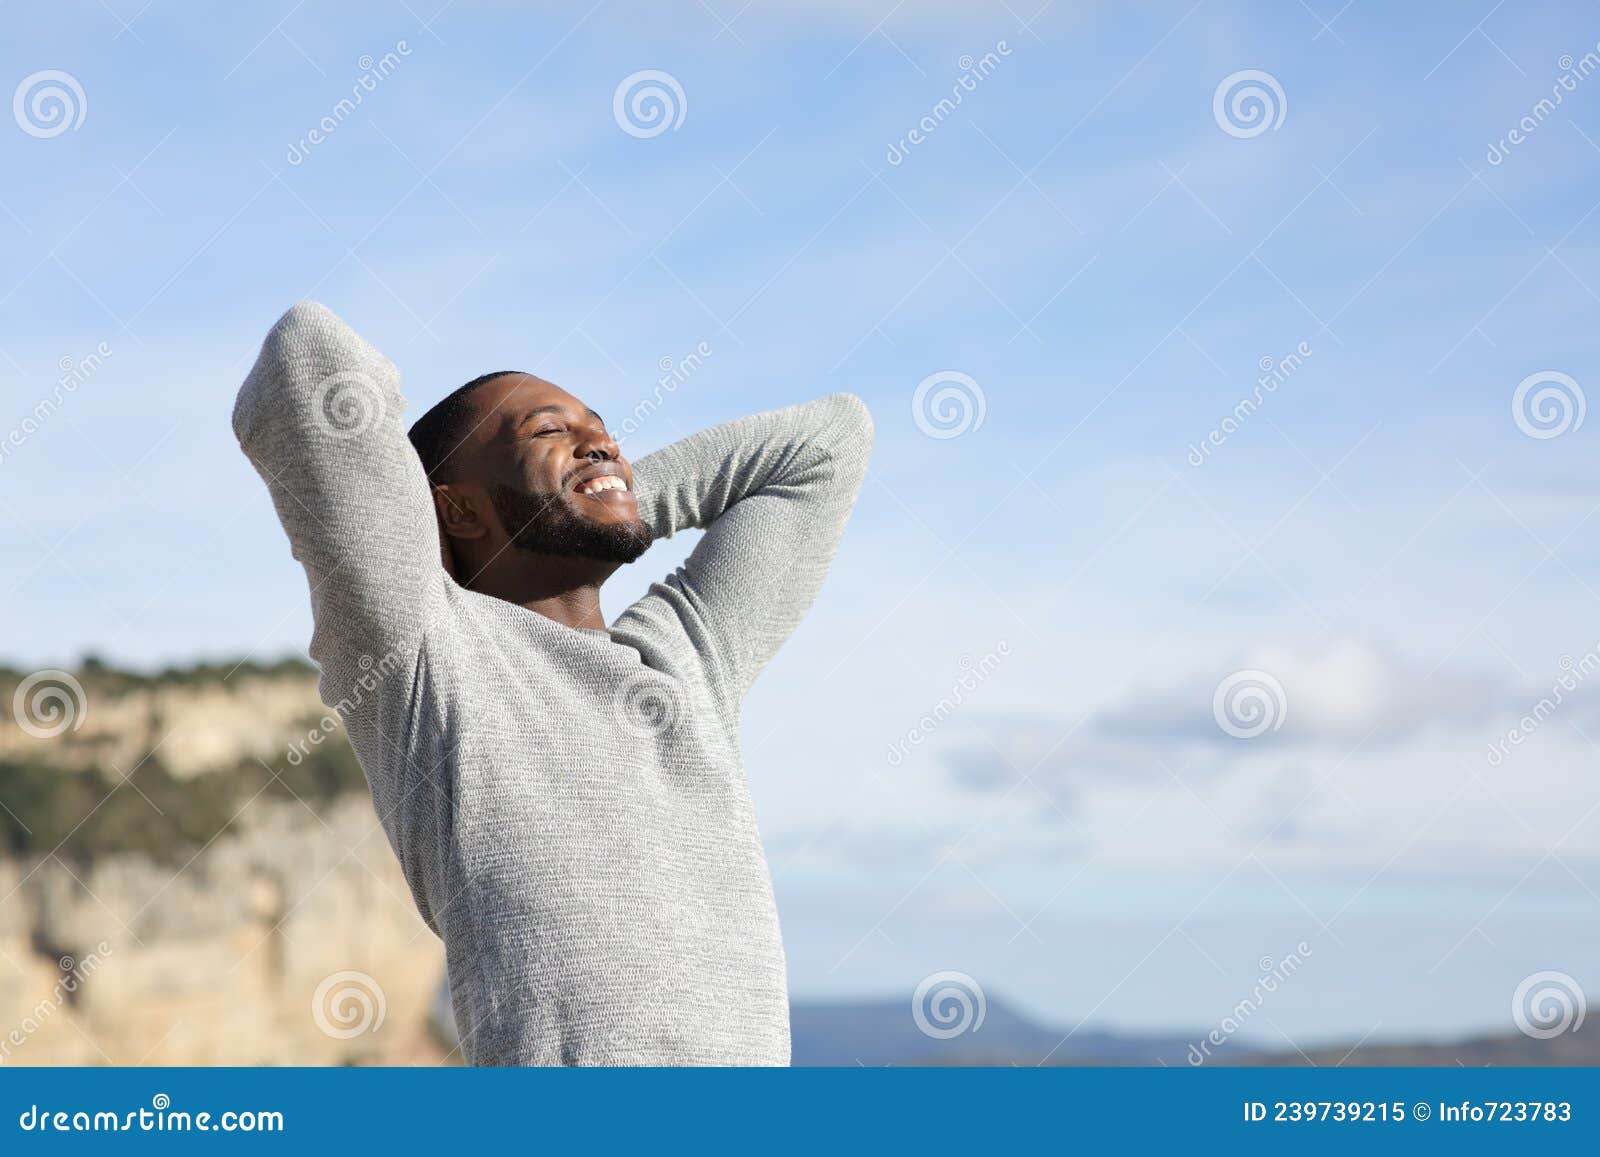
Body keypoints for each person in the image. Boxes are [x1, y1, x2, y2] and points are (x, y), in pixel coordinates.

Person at [232, 302, 872, 1065]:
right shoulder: (424, 651)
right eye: (547, 431)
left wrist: (610, 499)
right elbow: (304, 357)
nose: (599, 439)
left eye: (599, 427)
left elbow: (830, 441)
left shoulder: (686, 658)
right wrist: (506, 522)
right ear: (458, 507)